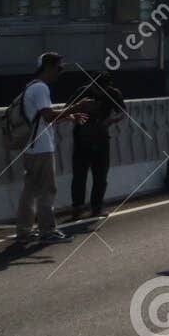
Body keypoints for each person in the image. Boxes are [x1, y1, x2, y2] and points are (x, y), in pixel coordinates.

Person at [16, 52, 86, 244]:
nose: (60, 72)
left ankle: (24, 230)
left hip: (31, 147)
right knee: (48, 190)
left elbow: (42, 117)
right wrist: (75, 107)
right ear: (48, 67)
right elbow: (47, 116)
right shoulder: (40, 88)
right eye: (59, 68)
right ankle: (48, 231)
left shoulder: (30, 86)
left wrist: (68, 117)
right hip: (41, 147)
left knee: (30, 190)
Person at [70, 76, 125, 221]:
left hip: (101, 137)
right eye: (98, 89)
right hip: (82, 138)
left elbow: (122, 112)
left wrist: (111, 120)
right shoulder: (82, 92)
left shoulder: (113, 93)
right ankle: (77, 207)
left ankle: (96, 207)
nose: (101, 92)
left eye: (104, 89)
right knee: (79, 175)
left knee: (100, 175)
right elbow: (67, 110)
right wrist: (79, 112)